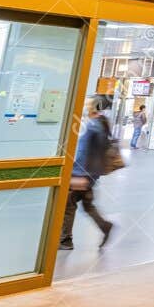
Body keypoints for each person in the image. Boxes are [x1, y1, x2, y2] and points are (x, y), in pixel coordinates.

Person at [60, 97, 116, 250]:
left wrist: (76, 174)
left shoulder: (90, 126)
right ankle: (105, 226)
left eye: (87, 104)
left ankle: (65, 240)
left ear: (92, 107)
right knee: (87, 205)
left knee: (68, 206)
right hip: (92, 174)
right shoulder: (102, 124)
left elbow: (82, 152)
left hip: (81, 174)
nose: (84, 106)